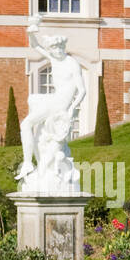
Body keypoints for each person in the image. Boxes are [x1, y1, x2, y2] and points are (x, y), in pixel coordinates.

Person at [16, 21, 85, 193]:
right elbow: (35, 45)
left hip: (60, 104)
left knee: (26, 124)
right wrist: (31, 31)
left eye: (58, 47)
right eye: (53, 48)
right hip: (54, 100)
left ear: (62, 46)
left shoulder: (72, 63)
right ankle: (31, 162)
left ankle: (27, 163)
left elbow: (82, 91)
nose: (55, 51)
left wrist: (72, 108)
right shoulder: (54, 58)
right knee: (32, 100)